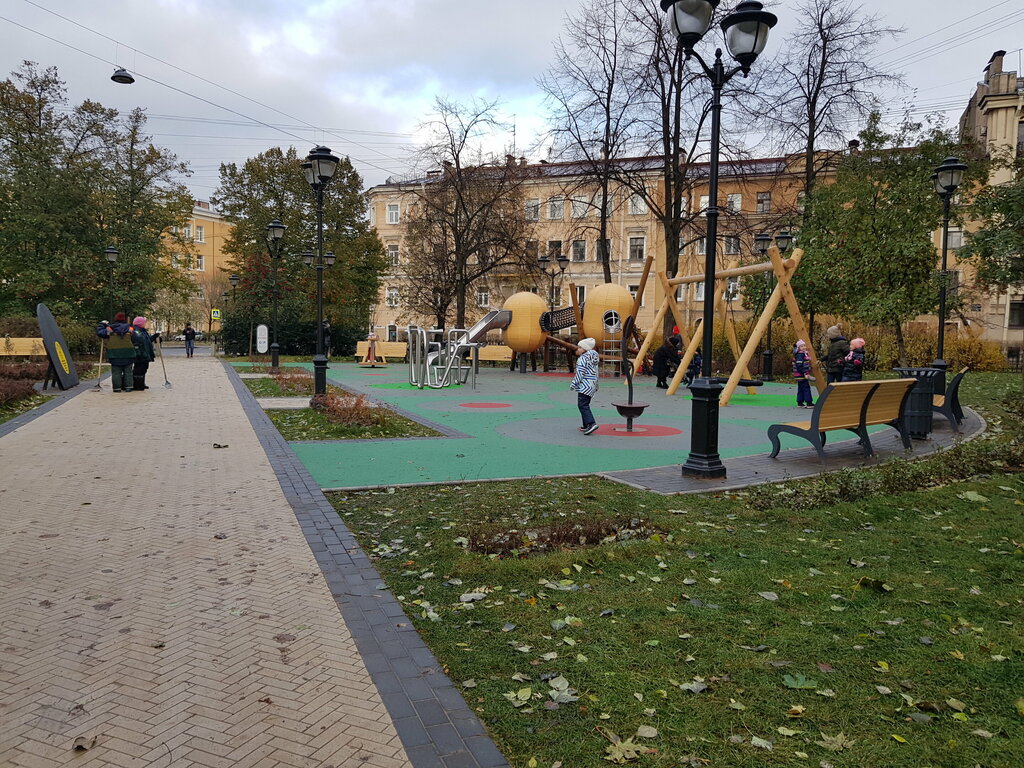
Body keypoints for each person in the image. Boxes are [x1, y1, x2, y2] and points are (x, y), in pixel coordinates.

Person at [96, 313, 136, 392]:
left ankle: (117, 388)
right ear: (124, 319)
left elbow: (100, 333)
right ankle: (129, 387)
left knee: (116, 372)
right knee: (128, 371)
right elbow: (135, 338)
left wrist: (102, 324)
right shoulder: (130, 328)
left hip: (114, 354)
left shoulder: (110, 329)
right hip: (128, 353)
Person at [570, 337, 600, 435]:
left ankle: (591, 423)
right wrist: (597, 385)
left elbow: (580, 373)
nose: (577, 349)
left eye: (579, 347)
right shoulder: (593, 358)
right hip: (591, 385)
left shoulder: (582, 359)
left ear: (585, 349)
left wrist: (574, 383)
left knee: (582, 405)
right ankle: (586, 424)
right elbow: (596, 373)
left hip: (585, 385)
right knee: (585, 404)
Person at [131, 316, 156, 391]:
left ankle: (141, 383)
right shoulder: (136, 332)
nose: (145, 324)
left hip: (145, 354)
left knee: (144, 369)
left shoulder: (143, 331)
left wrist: (154, 337)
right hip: (141, 354)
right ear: (140, 324)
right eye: (144, 323)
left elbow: (147, 341)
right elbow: (139, 342)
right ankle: (138, 384)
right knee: (139, 369)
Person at [792, 339, 814, 408]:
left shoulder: (803, 354)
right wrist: (805, 373)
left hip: (799, 375)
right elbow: (800, 365)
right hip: (801, 374)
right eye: (802, 346)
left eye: (804, 345)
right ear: (799, 348)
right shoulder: (800, 355)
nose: (804, 347)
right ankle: (809, 402)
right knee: (806, 388)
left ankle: (800, 402)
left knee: (801, 388)